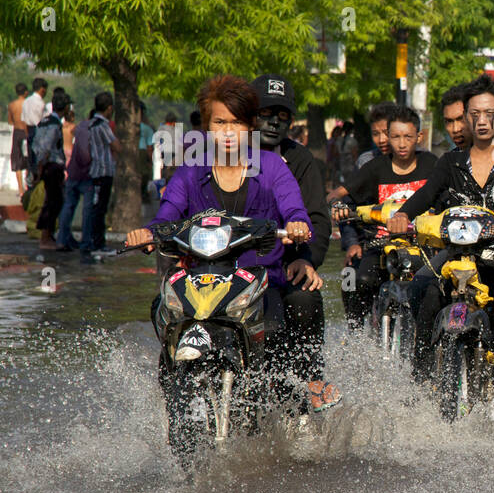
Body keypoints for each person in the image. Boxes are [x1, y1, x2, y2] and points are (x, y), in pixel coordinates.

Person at [124, 76, 320, 407]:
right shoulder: (189, 172)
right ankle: (174, 391)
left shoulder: (272, 167)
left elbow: (294, 207)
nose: (228, 132)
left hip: (258, 282)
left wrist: (298, 223)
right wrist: (148, 233)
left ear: (251, 125)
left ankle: (280, 401)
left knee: (274, 327)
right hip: (198, 281)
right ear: (206, 126)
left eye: (237, 123)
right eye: (220, 122)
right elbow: (166, 216)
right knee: (162, 310)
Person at [388, 76, 494, 391]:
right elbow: (426, 194)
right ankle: (421, 380)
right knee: (423, 290)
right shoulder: (451, 162)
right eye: (475, 114)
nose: (482, 121)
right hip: (457, 255)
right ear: (467, 117)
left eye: (490, 113)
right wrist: (403, 215)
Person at [251, 74, 338, 410]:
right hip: (230, 264)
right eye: (266, 112)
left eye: (283, 115)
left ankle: (309, 387)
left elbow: (318, 217)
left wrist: (306, 259)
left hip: (284, 264)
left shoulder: (299, 159)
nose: (274, 121)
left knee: (305, 300)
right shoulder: (223, 153)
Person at [330, 105, 439, 332]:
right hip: (380, 246)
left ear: (419, 137)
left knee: (436, 288)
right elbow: (339, 195)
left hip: (423, 246)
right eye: (395, 137)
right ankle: (357, 338)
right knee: (357, 280)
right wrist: (336, 207)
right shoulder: (372, 166)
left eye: (407, 137)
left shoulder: (431, 164)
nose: (401, 143)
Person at [60, 92, 120, 262]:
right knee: (98, 210)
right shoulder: (102, 125)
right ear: (109, 108)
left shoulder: (87, 125)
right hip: (103, 171)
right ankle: (97, 244)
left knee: (90, 209)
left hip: (90, 172)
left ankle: (89, 242)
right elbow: (116, 145)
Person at [29, 88, 71, 251]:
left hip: (46, 165)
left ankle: (49, 235)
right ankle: (45, 238)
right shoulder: (54, 124)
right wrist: (40, 168)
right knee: (53, 202)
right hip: (51, 166)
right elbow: (46, 148)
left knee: (53, 201)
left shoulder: (44, 121)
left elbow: (34, 144)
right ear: (65, 107)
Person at [8, 83, 29, 192]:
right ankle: (27, 186)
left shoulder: (12, 105)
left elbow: (10, 121)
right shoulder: (28, 104)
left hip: (17, 132)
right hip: (27, 132)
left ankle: (21, 190)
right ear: (25, 92)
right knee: (28, 159)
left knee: (17, 161)